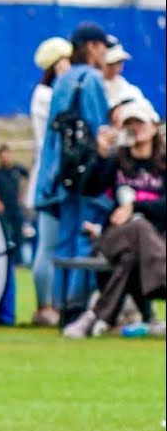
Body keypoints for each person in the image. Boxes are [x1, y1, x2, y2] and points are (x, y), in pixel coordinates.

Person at [63, 99, 165, 338]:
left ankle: (94, 317)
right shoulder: (116, 161)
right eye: (129, 123)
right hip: (116, 237)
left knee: (130, 256)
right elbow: (88, 189)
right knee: (138, 227)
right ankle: (162, 279)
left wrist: (134, 206)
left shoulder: (163, 164)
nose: (134, 128)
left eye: (139, 123)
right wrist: (99, 155)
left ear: (153, 127)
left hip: (152, 242)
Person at [35, 21, 113, 325]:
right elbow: (98, 126)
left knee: (63, 240)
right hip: (86, 175)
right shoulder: (92, 78)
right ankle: (79, 306)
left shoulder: (63, 80)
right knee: (86, 237)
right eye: (103, 46)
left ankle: (61, 306)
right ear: (93, 46)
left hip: (59, 174)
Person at [26, 37, 72, 326]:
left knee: (53, 244)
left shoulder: (44, 93)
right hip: (49, 178)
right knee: (48, 245)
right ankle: (45, 306)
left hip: (48, 175)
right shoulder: (47, 95)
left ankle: (53, 303)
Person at [0, 144, 28, 264]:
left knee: (18, 234)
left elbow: (29, 179)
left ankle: (19, 261)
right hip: (4, 208)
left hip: (16, 207)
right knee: (6, 234)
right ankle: (7, 260)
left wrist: (24, 195)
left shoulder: (18, 169)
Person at [101, 36, 145, 108]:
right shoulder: (88, 88)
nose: (117, 68)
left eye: (119, 62)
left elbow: (151, 115)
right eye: (111, 63)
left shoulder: (131, 90)